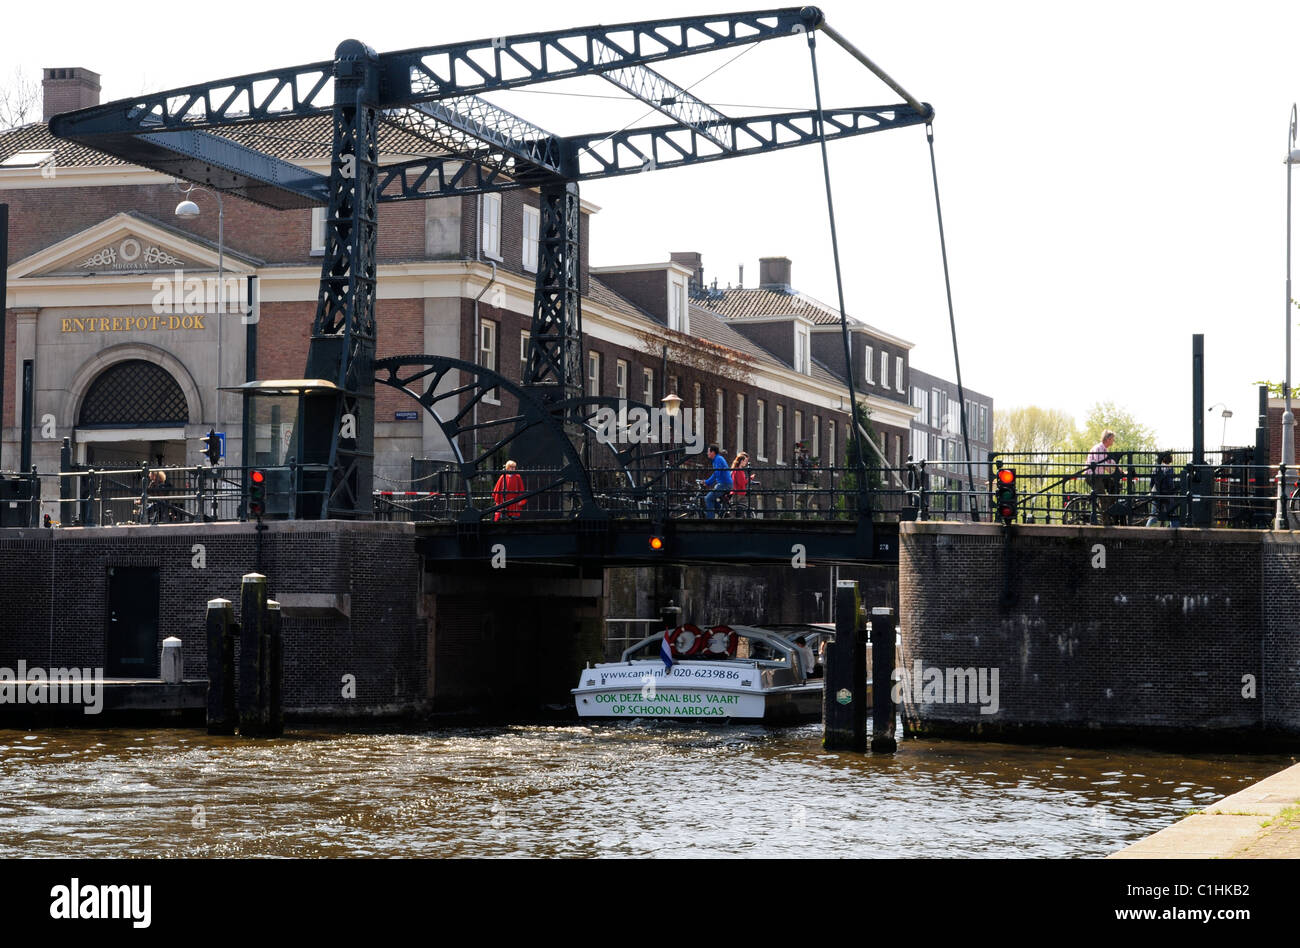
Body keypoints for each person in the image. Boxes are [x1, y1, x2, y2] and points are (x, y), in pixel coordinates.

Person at [1086, 429, 1119, 524]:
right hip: (1092, 476)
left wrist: (1120, 471)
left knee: (1115, 486)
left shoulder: (1104, 450)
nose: (1113, 441)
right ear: (1108, 439)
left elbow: (1111, 462)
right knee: (1103, 497)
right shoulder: (1099, 448)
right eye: (1112, 439)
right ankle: (1106, 521)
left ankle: (1108, 507)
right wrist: (1112, 472)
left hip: (1099, 475)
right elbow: (1102, 464)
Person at [1146, 450, 1181, 528]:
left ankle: (1146, 530)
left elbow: (1152, 482)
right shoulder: (1170, 468)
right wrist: (1173, 491)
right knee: (1173, 515)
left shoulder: (1156, 467)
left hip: (1156, 493)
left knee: (1154, 515)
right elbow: (1170, 483)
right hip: (1167, 494)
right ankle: (1176, 533)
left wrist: (1153, 490)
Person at [699, 445, 732, 519]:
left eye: (708, 451)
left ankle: (710, 519)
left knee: (708, 498)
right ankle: (722, 513)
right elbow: (716, 474)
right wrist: (707, 482)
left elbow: (717, 473)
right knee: (711, 497)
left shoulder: (718, 459)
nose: (707, 453)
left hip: (724, 484)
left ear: (713, 452)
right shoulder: (717, 459)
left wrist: (707, 482)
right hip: (724, 484)